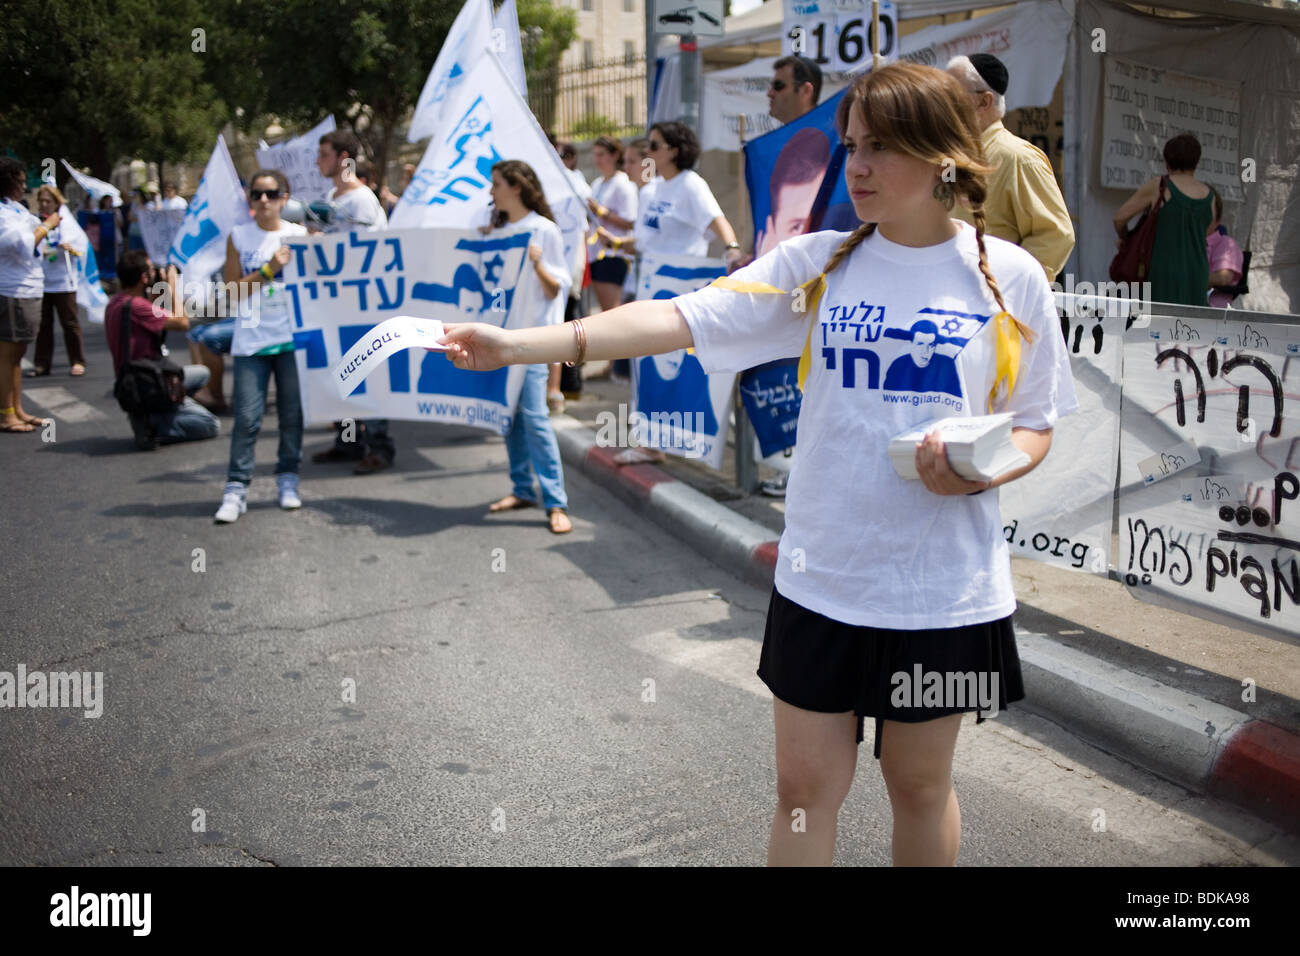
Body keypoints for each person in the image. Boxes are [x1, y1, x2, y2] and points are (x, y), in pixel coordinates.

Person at [436, 62, 1077, 866]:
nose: (860, 167)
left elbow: (1036, 426)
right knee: (804, 795)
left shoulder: (1011, 277)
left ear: (943, 152)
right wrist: (518, 346)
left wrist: (986, 468)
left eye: (882, 147)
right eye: (852, 147)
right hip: (822, 583)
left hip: (942, 594)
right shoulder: (818, 264)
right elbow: (677, 317)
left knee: (919, 788)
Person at [595, 121, 743, 464]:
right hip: (649, 287)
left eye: (654, 145)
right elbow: (647, 242)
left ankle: (672, 438)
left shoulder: (691, 185)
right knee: (645, 364)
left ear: (674, 150)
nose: (648, 152)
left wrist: (732, 248)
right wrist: (618, 243)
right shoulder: (651, 191)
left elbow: (717, 221)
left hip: (681, 293)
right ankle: (650, 441)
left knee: (681, 365)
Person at [479, 160, 573, 535]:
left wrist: (537, 265)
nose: (491, 191)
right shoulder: (497, 231)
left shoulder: (543, 230)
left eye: (497, 184)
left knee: (534, 418)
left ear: (516, 187)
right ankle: (522, 488)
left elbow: (558, 289)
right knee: (509, 418)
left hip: (533, 341)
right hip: (500, 337)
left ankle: (556, 502)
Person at [212, 170, 309, 524]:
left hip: (291, 341)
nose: (264, 200)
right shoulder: (239, 236)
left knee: (292, 416)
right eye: (257, 194)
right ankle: (236, 489)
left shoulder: (299, 237)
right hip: (251, 343)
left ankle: (288, 479)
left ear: (285, 197)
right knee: (248, 419)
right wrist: (269, 270)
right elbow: (232, 292)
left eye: (271, 194)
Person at [310, 129, 396, 474]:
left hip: (362, 304)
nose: (319, 161)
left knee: (368, 374)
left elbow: (368, 252)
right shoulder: (331, 196)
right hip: (335, 303)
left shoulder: (361, 201)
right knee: (342, 373)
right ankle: (349, 442)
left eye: (324, 155)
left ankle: (379, 446)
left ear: (344, 158)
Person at [947, 54, 1075, 282]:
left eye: (952, 94)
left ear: (983, 102)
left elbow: (1054, 236)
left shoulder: (1019, 158)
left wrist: (1007, 287)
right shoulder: (950, 158)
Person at [105, 250, 219, 450]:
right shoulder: (138, 307)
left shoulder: (117, 302)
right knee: (211, 425)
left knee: (202, 373)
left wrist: (160, 291)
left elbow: (155, 315)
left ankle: (165, 409)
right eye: (151, 271)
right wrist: (173, 287)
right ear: (144, 278)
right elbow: (182, 322)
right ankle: (154, 423)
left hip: (137, 377)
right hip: (149, 381)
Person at [1113, 133, 1213, 307]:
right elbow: (1208, 230)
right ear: (1197, 162)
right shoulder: (1209, 196)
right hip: (1197, 273)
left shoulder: (1159, 186)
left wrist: (1126, 237)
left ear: (1167, 161)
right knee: (1193, 328)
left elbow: (1119, 218)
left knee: (1158, 328)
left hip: (1163, 270)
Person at [0, 157, 58, 433]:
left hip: (25, 289)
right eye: (21, 181)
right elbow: (21, 244)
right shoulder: (2, 213)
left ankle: (16, 408)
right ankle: (5, 414)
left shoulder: (14, 210)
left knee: (17, 353)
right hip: (13, 291)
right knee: (7, 355)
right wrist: (47, 226)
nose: (25, 186)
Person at [584, 137, 639, 376]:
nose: (598, 160)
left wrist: (601, 212)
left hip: (615, 253)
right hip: (596, 253)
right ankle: (613, 364)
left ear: (614, 156)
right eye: (595, 154)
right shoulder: (597, 183)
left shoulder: (623, 184)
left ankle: (618, 365)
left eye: (602, 154)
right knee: (606, 313)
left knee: (612, 313)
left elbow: (630, 221)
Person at [29, 184, 88, 378]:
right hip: (43, 280)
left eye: (48, 201)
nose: (44, 205)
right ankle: (41, 364)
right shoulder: (37, 223)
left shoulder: (67, 223)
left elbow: (80, 248)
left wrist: (69, 247)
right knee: (43, 325)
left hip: (64, 281)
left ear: (56, 203)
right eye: (42, 201)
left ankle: (78, 361)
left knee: (69, 322)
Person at [1205, 188, 1244, 308]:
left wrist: (1184, 278)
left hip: (1211, 314)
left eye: (1206, 214)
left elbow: (1223, 278)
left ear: (1217, 221)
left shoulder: (1226, 244)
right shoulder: (1184, 242)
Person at [767, 54, 823, 125]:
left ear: (806, 91)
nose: (769, 94)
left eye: (778, 86)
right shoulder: (787, 134)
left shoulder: (826, 134)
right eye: (771, 86)